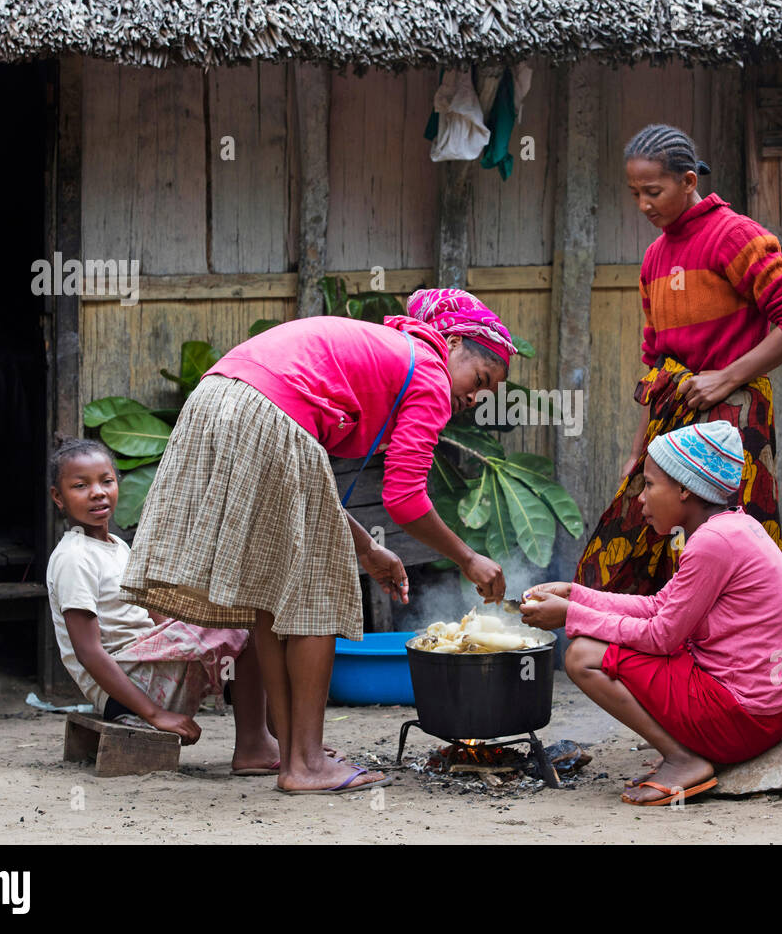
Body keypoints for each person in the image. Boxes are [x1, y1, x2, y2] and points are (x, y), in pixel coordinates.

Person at [119, 288, 511, 794]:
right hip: (262, 409)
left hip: (221, 399)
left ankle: (267, 749)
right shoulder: (429, 370)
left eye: (487, 395)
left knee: (270, 590)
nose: (475, 399)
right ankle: (304, 763)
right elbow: (405, 499)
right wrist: (468, 558)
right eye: (480, 380)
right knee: (316, 596)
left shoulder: (386, 354)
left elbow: (312, 484)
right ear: (452, 342)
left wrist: (369, 550)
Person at [575, 123, 782, 596]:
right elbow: (655, 363)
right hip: (670, 415)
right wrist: (637, 451)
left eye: (654, 191)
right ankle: (654, 649)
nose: (644, 205)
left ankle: (723, 657)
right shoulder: (653, 258)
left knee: (719, 546)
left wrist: (726, 378)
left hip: (731, 421)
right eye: (635, 194)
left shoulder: (734, 236)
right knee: (634, 538)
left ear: (689, 182)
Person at [521, 421, 782, 806]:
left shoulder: (713, 543)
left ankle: (684, 759)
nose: (640, 498)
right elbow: (659, 607)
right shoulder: (733, 528)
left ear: (685, 488)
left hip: (742, 720)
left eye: (650, 485)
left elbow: (661, 636)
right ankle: (688, 752)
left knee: (582, 656)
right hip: (762, 715)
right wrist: (577, 595)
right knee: (607, 644)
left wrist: (570, 617)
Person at [46, 438, 279, 774]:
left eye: (106, 481)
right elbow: (89, 652)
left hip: (147, 670)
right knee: (247, 624)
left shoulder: (118, 548)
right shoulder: (74, 558)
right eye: (80, 486)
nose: (97, 492)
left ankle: (276, 738)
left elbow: (160, 618)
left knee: (243, 618)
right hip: (130, 689)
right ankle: (256, 746)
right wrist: (155, 714)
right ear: (59, 497)